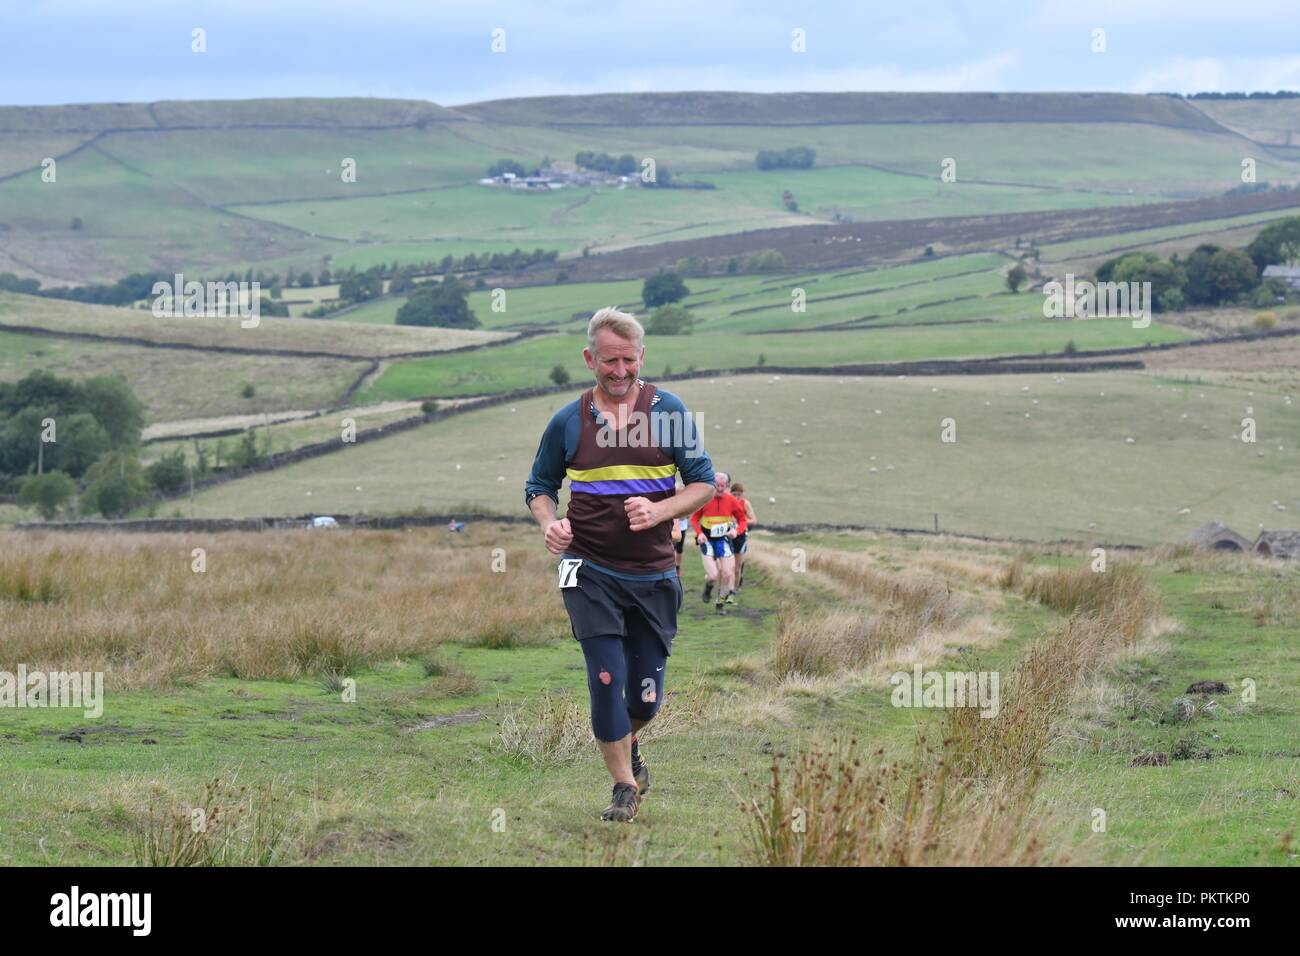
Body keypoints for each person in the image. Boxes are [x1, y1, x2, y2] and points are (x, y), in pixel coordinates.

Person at [525, 307, 714, 823]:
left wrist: (661, 510)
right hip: (588, 570)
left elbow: (703, 482)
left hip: (654, 574)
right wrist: (550, 523)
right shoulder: (568, 420)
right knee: (605, 677)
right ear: (590, 359)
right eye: (610, 361)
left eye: (629, 360)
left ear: (642, 358)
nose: (620, 371)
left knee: (646, 699)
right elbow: (539, 487)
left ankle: (627, 743)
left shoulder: (669, 412)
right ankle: (623, 789)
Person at [690, 471, 748, 612]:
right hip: (707, 540)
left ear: (727, 486)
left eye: (723, 486)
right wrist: (699, 533)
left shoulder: (732, 500)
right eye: (717, 485)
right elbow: (694, 518)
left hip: (723, 540)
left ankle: (720, 604)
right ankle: (708, 588)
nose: (720, 488)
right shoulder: (704, 499)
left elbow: (742, 520)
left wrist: (736, 531)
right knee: (712, 576)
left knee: (728, 574)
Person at [729, 481, 756, 591]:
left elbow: (753, 520)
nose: (736, 497)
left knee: (737, 567)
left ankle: (734, 590)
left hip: (741, 535)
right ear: (730, 493)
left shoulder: (745, 503)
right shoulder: (727, 502)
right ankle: (727, 587)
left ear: (742, 494)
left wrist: (741, 521)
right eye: (734, 494)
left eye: (739, 495)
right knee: (727, 566)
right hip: (728, 535)